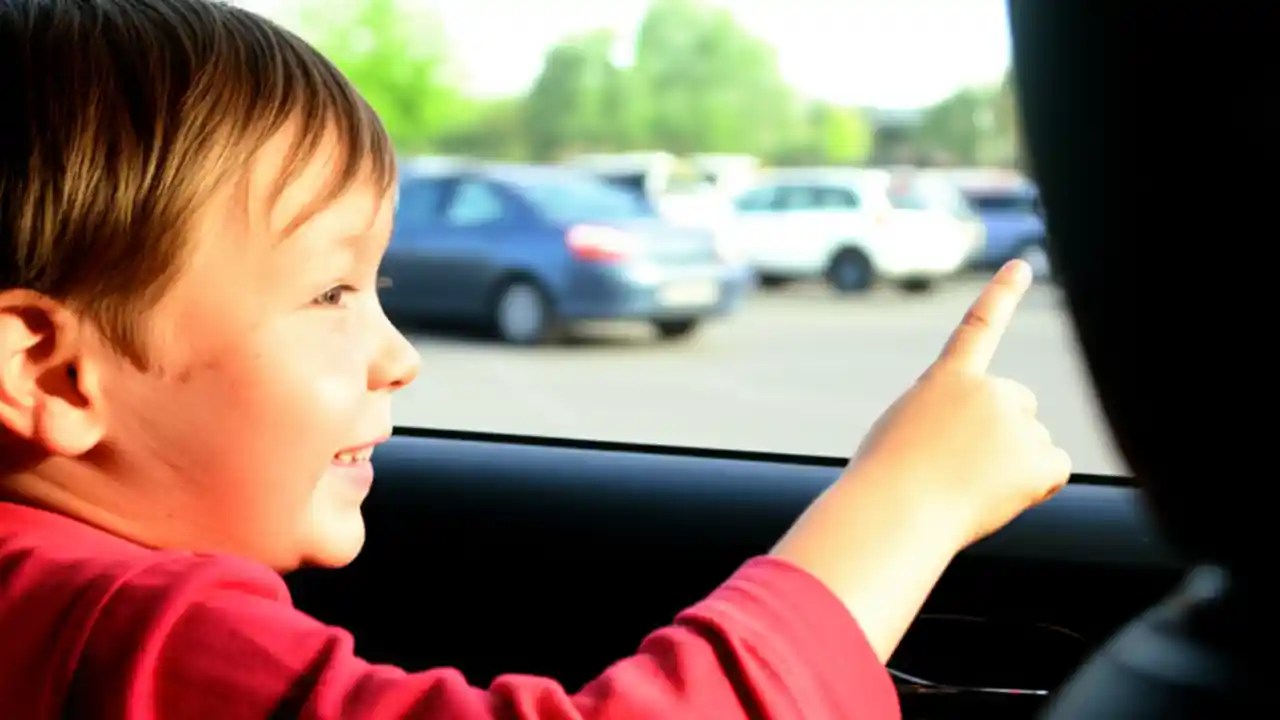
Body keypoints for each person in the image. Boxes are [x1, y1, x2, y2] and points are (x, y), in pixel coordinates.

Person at [0, 1, 1070, 717]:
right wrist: (907, 503)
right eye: (331, 293)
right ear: (47, 373)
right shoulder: (131, 639)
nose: (399, 356)